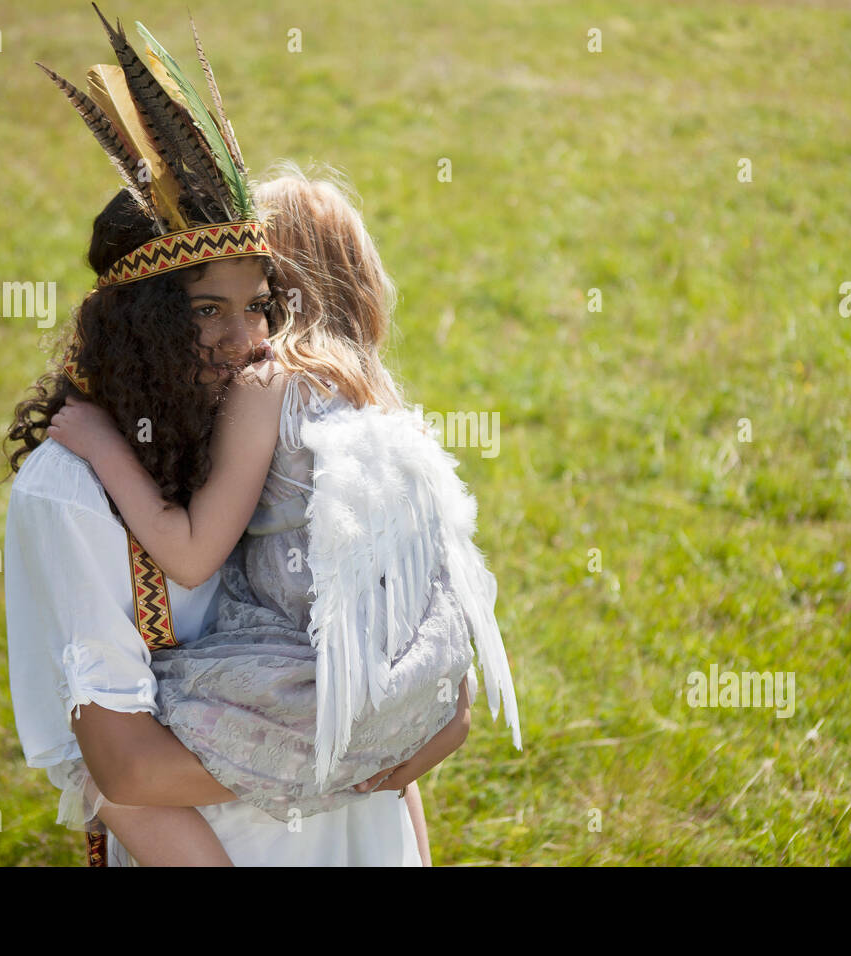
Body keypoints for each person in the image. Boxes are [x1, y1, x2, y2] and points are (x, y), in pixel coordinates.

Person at [2, 10, 468, 865]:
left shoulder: (279, 433)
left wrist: (383, 754)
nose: (248, 342)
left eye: (259, 308)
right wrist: (352, 752)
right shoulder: (72, 493)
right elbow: (125, 769)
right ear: (141, 324)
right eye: (204, 312)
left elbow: (423, 696)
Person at [46, 165, 521, 864]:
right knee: (377, 781)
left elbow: (190, 553)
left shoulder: (267, 384)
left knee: (115, 776)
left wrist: (102, 445)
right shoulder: (375, 398)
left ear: (276, 286)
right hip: (400, 680)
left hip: (302, 680)